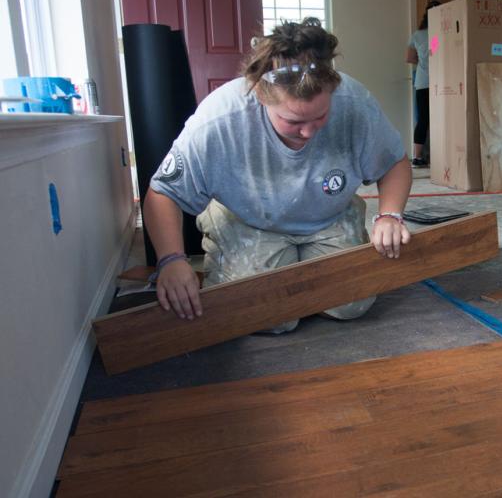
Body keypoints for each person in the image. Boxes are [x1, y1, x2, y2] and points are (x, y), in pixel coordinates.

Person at [144, 18, 412, 332]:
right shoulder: (219, 120)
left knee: (350, 303)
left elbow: (395, 163)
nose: (308, 132)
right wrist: (171, 259)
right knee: (270, 316)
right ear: (261, 95)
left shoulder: (355, 103)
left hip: (328, 215)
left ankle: (311, 261)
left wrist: (390, 214)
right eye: (293, 121)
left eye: (320, 116)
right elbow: (162, 194)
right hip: (249, 218)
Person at [406, 0, 440, 168]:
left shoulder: (417, 35)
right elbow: (436, 53)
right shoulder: (440, 33)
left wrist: (422, 62)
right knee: (441, 118)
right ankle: (440, 155)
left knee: (423, 120)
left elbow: (409, 58)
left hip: (422, 82)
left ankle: (417, 156)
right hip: (441, 81)